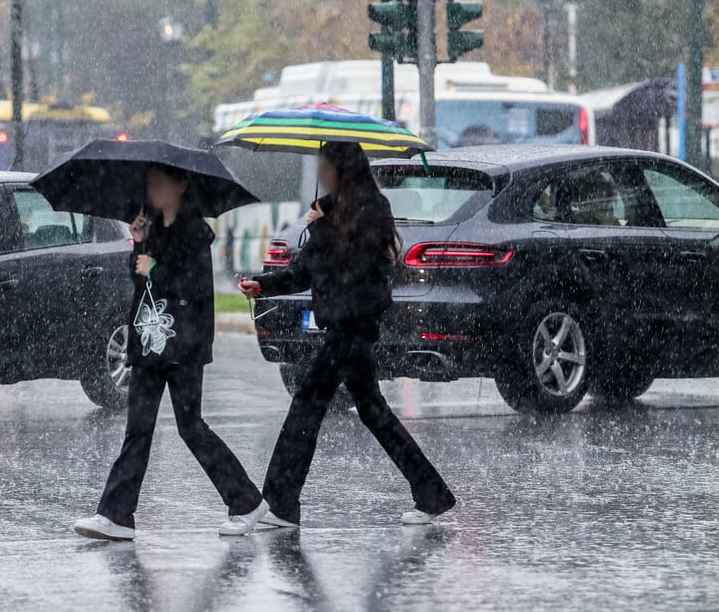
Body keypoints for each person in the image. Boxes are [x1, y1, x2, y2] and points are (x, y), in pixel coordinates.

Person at [240, 141, 456, 527]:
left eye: (326, 166)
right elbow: (305, 272)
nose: (321, 174)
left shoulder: (372, 210)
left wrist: (319, 226)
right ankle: (431, 493)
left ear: (343, 168)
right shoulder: (332, 209)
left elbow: (353, 268)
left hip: (354, 326)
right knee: (372, 411)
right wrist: (263, 285)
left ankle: (282, 503)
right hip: (342, 326)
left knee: (307, 403)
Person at [74, 164, 269, 541]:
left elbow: (193, 288)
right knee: (138, 429)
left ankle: (245, 500)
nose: (153, 190)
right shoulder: (152, 228)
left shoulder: (196, 232)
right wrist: (139, 242)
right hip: (149, 342)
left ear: (181, 185)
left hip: (184, 344)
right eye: (150, 184)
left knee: (190, 427)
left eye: (160, 184)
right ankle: (116, 515)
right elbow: (141, 280)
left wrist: (156, 267)